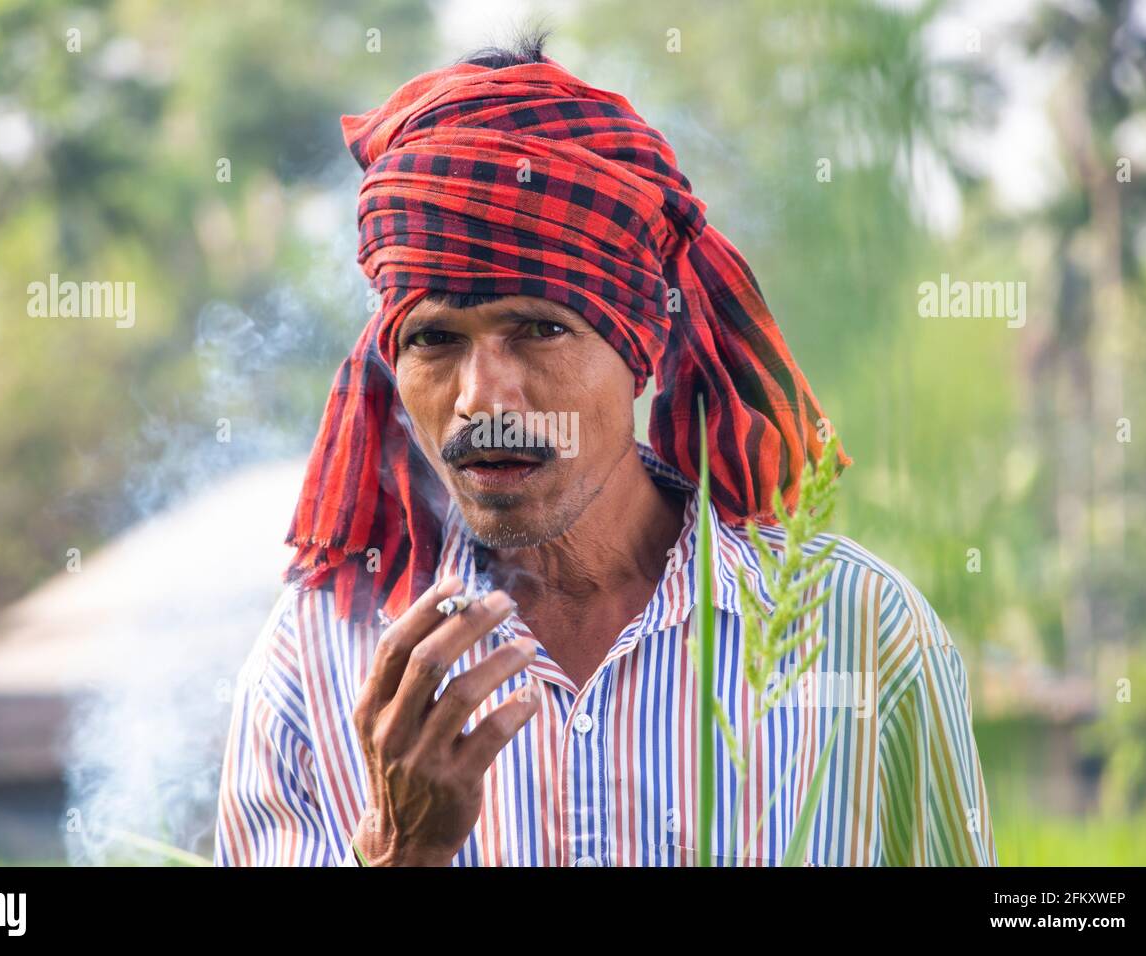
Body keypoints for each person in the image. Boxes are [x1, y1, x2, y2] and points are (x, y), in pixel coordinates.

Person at [213, 31, 996, 867]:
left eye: (541, 328)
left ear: (646, 345)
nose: (482, 397)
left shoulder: (861, 633)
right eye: (436, 339)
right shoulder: (318, 661)